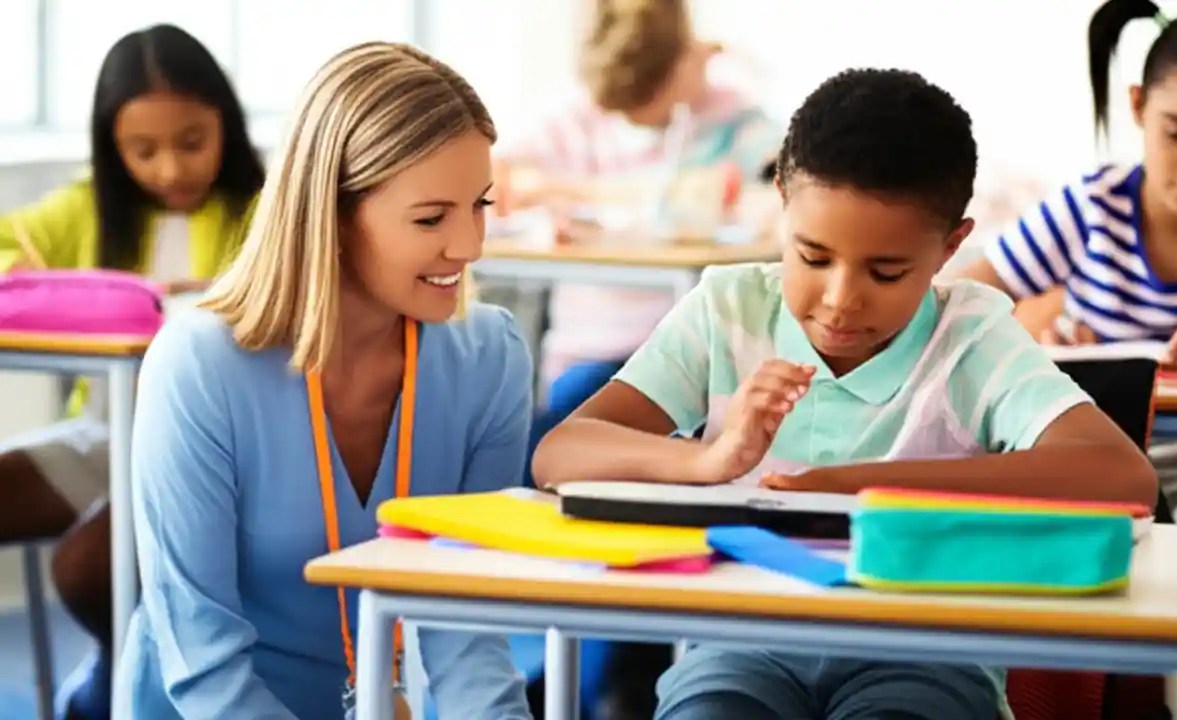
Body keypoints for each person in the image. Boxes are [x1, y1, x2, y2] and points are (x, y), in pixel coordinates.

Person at [532, 66, 1156, 720]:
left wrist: (856, 485)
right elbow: (560, 454)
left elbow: (1121, 476)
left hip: (926, 652)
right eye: (813, 256)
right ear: (781, 201)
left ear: (950, 246)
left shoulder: (969, 334)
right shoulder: (728, 308)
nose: (841, 300)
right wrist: (705, 464)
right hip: (744, 643)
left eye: (886, 272)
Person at [116, 42, 533, 720]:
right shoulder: (198, 366)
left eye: (480, 205)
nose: (470, 246)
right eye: (432, 218)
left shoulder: (490, 358)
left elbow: (467, 628)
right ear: (331, 214)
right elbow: (202, 661)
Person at [0, 24, 264, 720]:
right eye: (142, 150)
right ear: (112, 149)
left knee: (89, 565)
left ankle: (123, 677)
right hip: (107, 433)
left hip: (211, 451)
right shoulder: (85, 207)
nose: (170, 169)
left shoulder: (266, 211)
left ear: (226, 127)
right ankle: (120, 674)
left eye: (191, 142)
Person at [961, 0, 1177, 528]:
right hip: (1098, 461)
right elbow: (956, 301)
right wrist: (1034, 354)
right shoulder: (1092, 207)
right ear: (1137, 106)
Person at [498, 0, 780, 470]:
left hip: (700, 358)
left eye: (651, 101)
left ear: (688, 59)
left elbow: (780, 187)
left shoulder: (730, 116)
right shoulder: (575, 121)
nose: (638, 117)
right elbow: (499, 179)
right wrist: (556, 199)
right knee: (563, 429)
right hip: (593, 352)